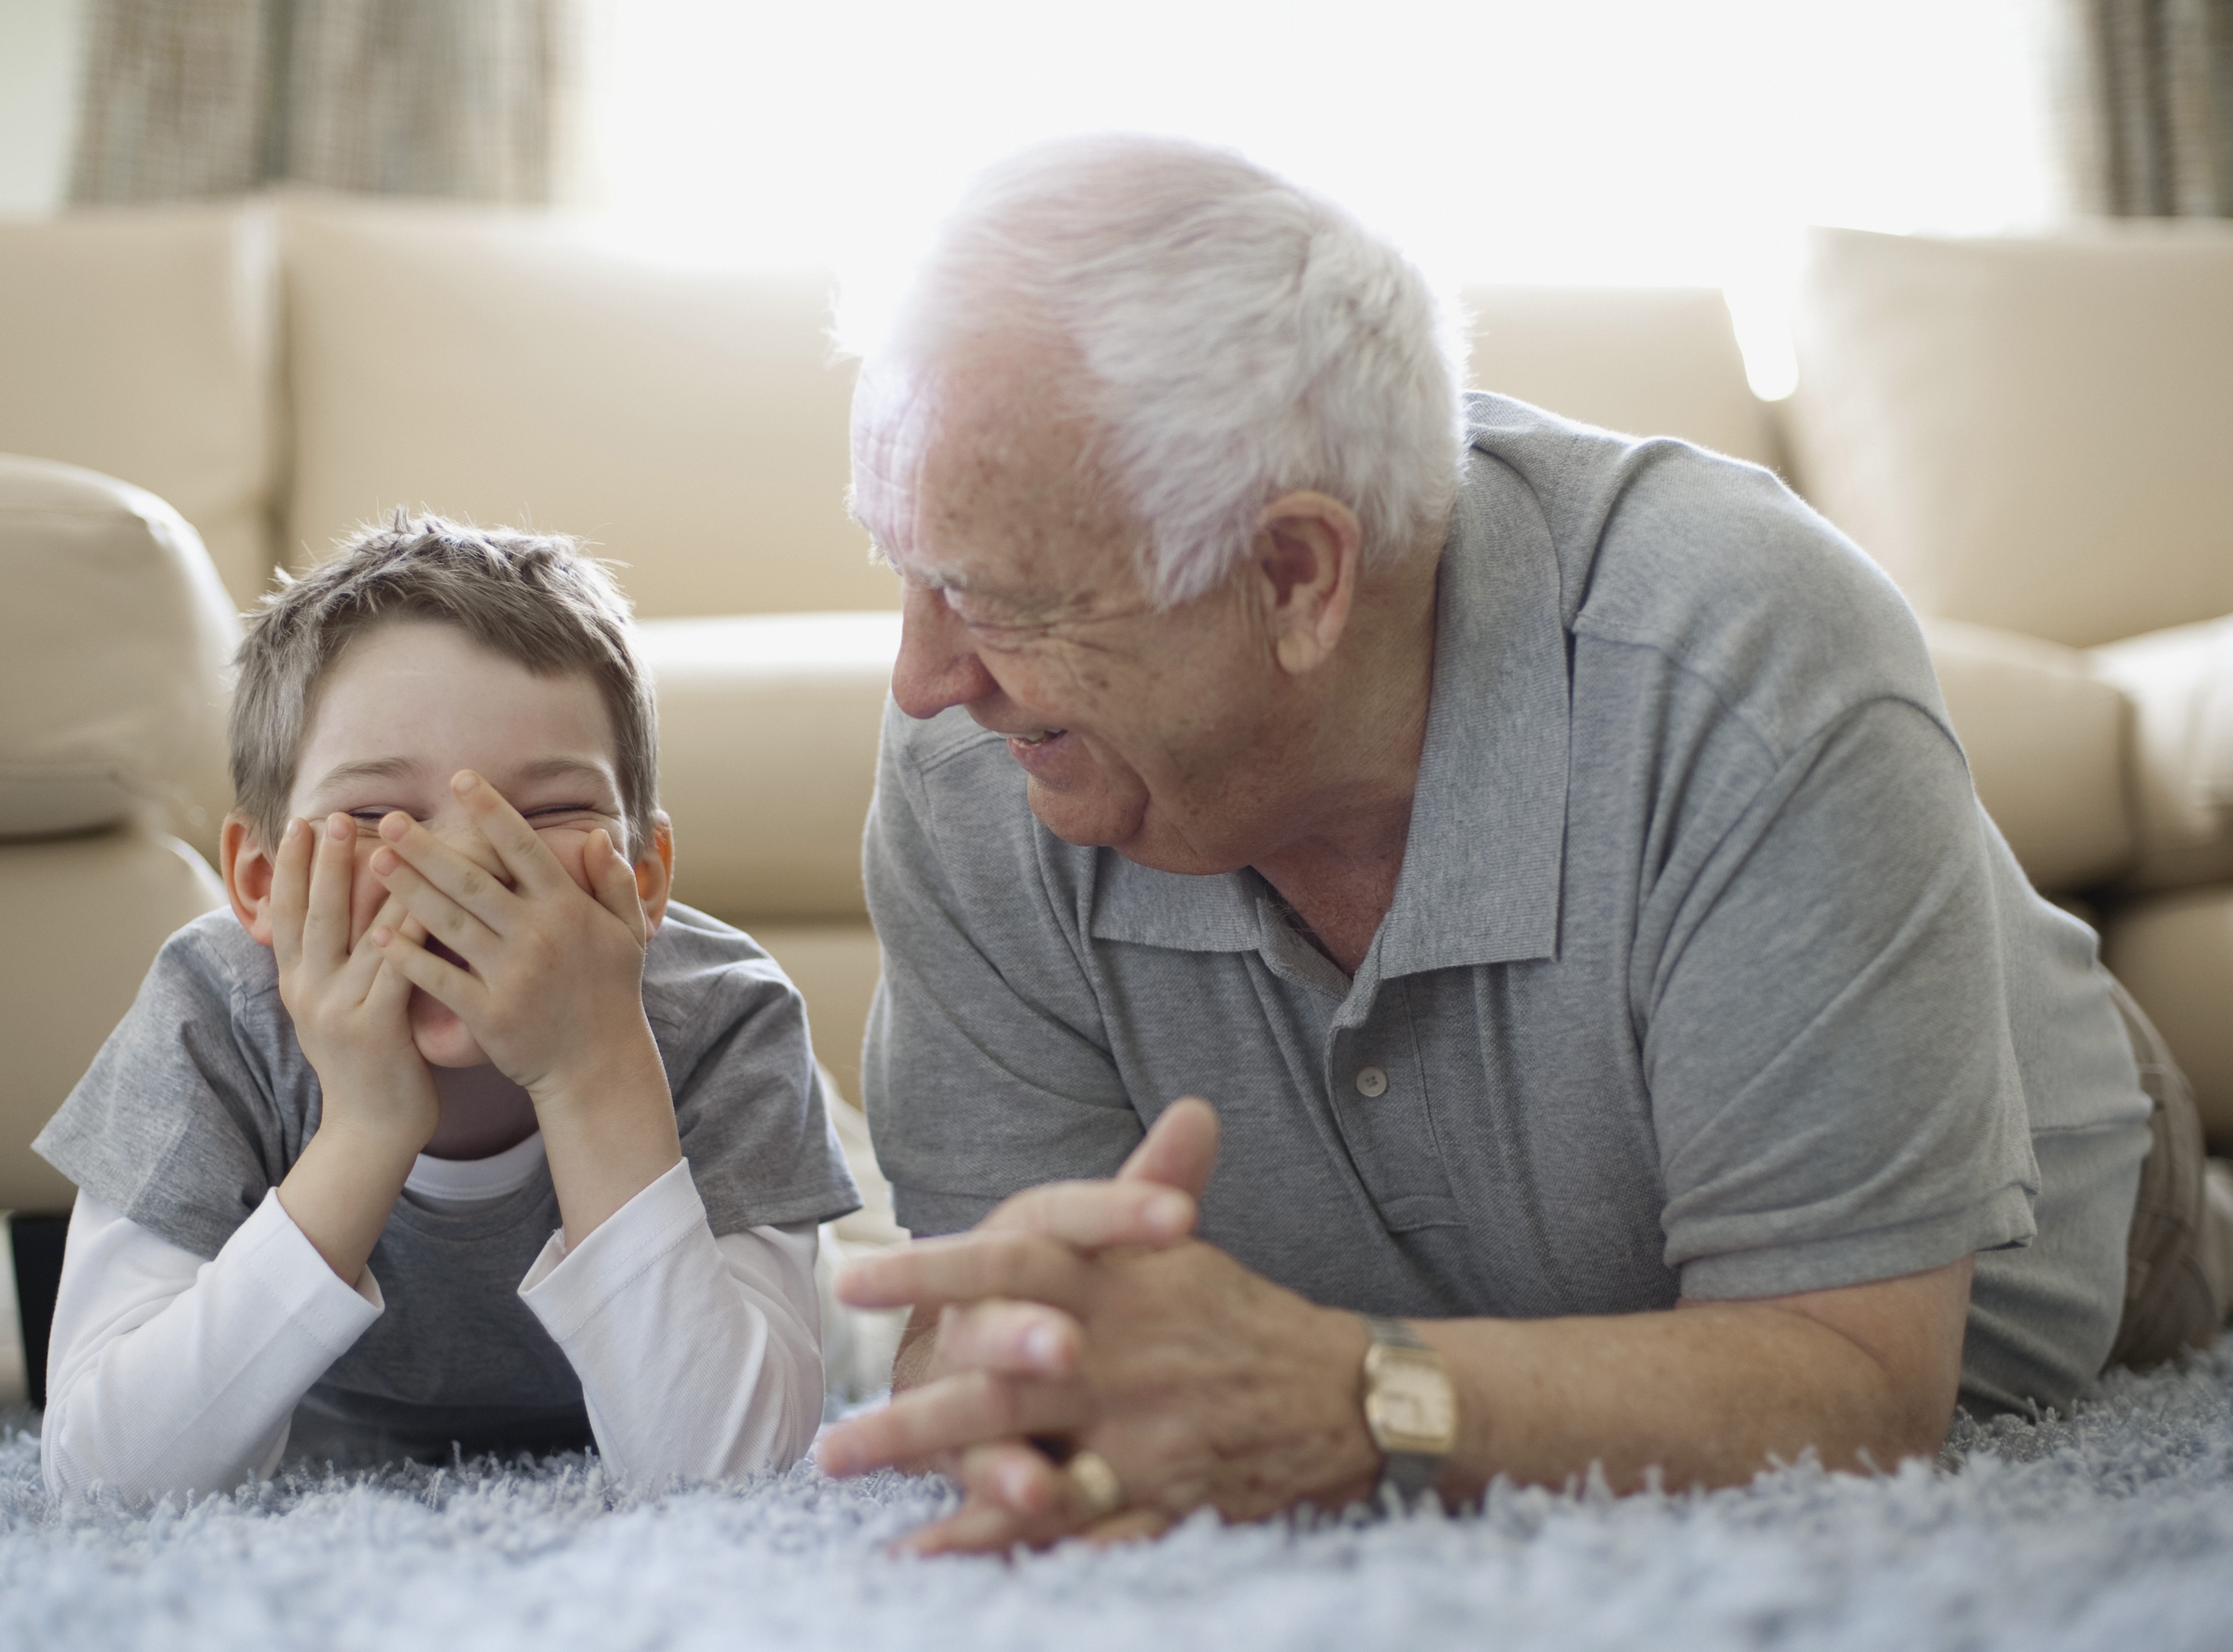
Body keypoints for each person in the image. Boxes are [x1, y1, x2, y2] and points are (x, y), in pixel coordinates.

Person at [812, 135, 2233, 1552]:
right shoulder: (978, 758)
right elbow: (984, 1318)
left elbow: (1855, 1386)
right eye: (903, 569)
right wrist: (1031, 1391)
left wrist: (1356, 1400)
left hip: (2051, 1230)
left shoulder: (1739, 649)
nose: (924, 680)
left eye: (987, 596)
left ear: (1294, 574)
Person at [36, 514, 859, 1502]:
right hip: (332, 1427)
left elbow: (728, 1480)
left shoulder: (726, 1016)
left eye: (548, 813)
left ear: (644, 879)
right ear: (258, 883)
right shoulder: (210, 1017)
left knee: (864, 1300)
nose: (465, 869)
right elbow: (100, 1485)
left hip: (782, 1297)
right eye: (380, 815)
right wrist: (367, 1127)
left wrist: (593, 1070)